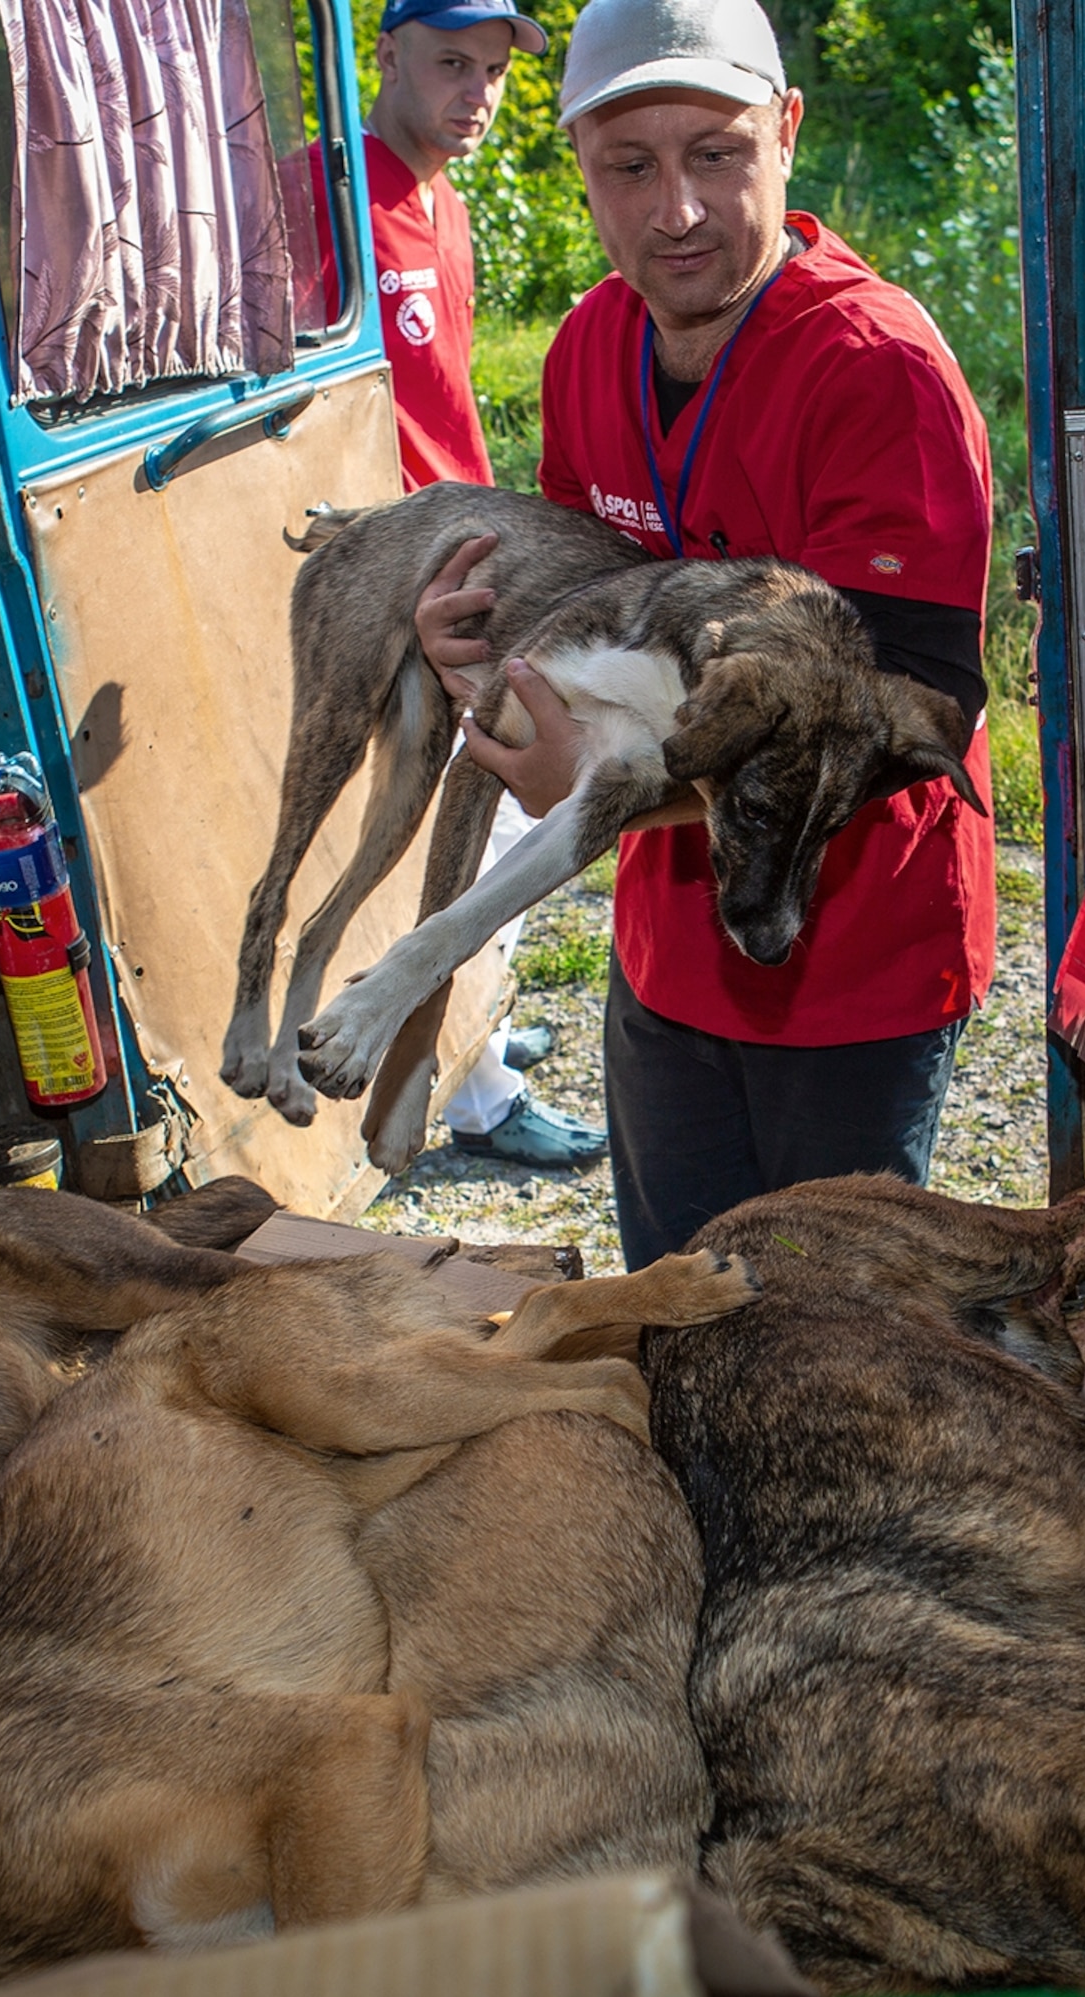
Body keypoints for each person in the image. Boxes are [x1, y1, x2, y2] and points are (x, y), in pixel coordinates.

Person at [417, 0, 996, 1267]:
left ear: (786, 134)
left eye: (715, 154)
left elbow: (912, 711)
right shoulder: (584, 350)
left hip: (855, 956)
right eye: (631, 165)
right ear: (582, 172)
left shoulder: (874, 370)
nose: (675, 209)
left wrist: (598, 787)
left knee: (825, 1329)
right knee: (675, 1298)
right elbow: (571, 615)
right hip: (667, 951)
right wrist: (478, 650)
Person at [306, 0, 611, 1168]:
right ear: (382, 57)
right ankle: (470, 1096)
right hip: (398, 566)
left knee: (490, 806)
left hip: (474, 548)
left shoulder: (446, 203)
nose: (475, 91)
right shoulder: (329, 192)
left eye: (491, 70)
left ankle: (471, 1035)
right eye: (449, 64)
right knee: (438, 813)